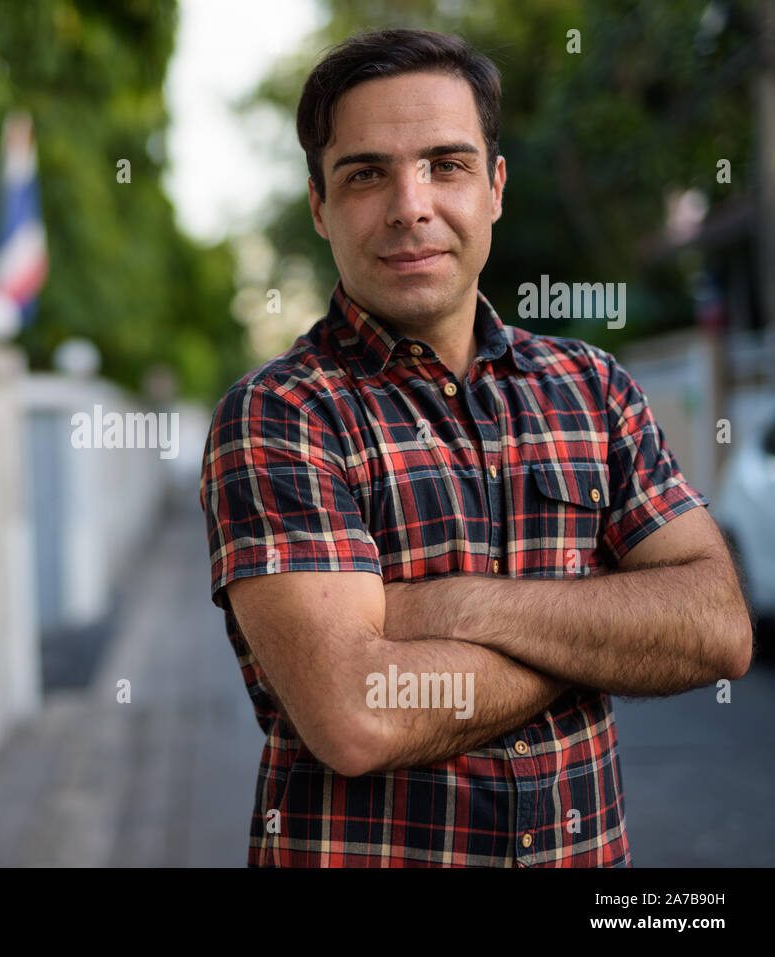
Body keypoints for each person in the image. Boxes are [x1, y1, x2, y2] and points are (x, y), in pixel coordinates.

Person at [198, 27, 751, 868]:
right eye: (365, 173)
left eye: (445, 164)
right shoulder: (281, 416)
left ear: (494, 186)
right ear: (319, 206)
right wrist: (601, 631)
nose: (410, 204)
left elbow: (717, 627)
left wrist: (451, 608)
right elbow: (359, 713)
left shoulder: (591, 387)